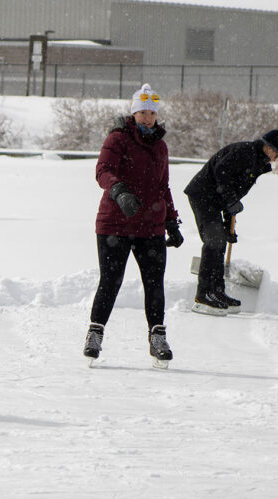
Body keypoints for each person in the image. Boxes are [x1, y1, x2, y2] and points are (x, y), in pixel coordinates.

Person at [83, 83, 184, 369]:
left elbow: (163, 186)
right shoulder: (117, 139)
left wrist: (171, 221)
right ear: (133, 113)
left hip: (150, 227)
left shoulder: (161, 146)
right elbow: (103, 170)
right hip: (114, 223)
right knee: (110, 281)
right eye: (142, 112)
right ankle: (95, 334)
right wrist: (120, 192)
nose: (148, 117)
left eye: (152, 112)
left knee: (154, 284)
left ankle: (158, 337)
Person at [184, 129, 278, 316]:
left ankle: (217, 291)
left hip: (215, 200)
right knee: (214, 240)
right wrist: (230, 201)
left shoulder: (257, 162)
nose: (275, 158)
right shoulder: (246, 152)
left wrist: (228, 223)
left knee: (220, 240)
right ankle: (203, 294)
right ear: (266, 145)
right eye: (275, 152)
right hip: (203, 195)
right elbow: (221, 172)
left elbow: (233, 190)